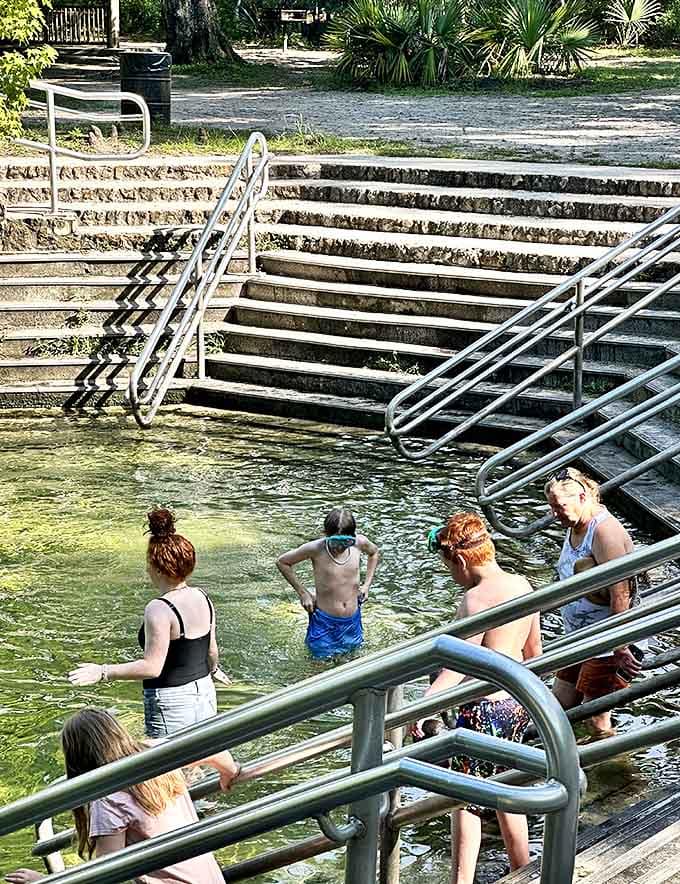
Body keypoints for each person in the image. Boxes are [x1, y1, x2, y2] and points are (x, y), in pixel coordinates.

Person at [410, 512, 542, 884]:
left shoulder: (474, 599)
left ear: (461, 561)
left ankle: (461, 880)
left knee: (465, 800)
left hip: (482, 709)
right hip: (516, 701)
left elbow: (454, 670)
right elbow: (534, 652)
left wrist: (420, 709)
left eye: (449, 568)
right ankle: (522, 869)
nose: (453, 577)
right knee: (506, 788)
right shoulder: (523, 584)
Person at [5, 707, 239, 884]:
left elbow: (104, 874)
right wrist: (228, 774)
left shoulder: (108, 798)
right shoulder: (155, 753)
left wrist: (43, 881)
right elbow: (215, 750)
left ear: (77, 758)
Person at [68, 508, 228, 738]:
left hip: (172, 702)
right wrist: (214, 670)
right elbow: (211, 650)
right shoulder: (202, 597)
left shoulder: (159, 608)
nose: (146, 569)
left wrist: (102, 672)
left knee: (167, 760)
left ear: (158, 569)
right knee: (202, 754)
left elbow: (152, 668)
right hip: (205, 692)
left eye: (148, 564)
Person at [544, 467, 642, 739]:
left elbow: (621, 592)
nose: (555, 514)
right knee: (558, 704)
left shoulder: (604, 531)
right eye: (552, 507)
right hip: (579, 636)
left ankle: (617, 765)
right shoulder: (575, 524)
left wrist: (619, 645)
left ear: (583, 497)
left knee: (596, 718)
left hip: (606, 640)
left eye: (560, 507)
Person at [276, 507, 379, 659]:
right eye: (335, 542)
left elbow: (374, 552)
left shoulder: (359, 543)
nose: (340, 547)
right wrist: (303, 593)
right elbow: (282, 562)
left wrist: (366, 585)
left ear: (353, 537)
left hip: (352, 621)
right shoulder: (316, 549)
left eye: (346, 542)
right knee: (319, 663)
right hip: (324, 622)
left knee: (353, 659)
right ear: (325, 535)